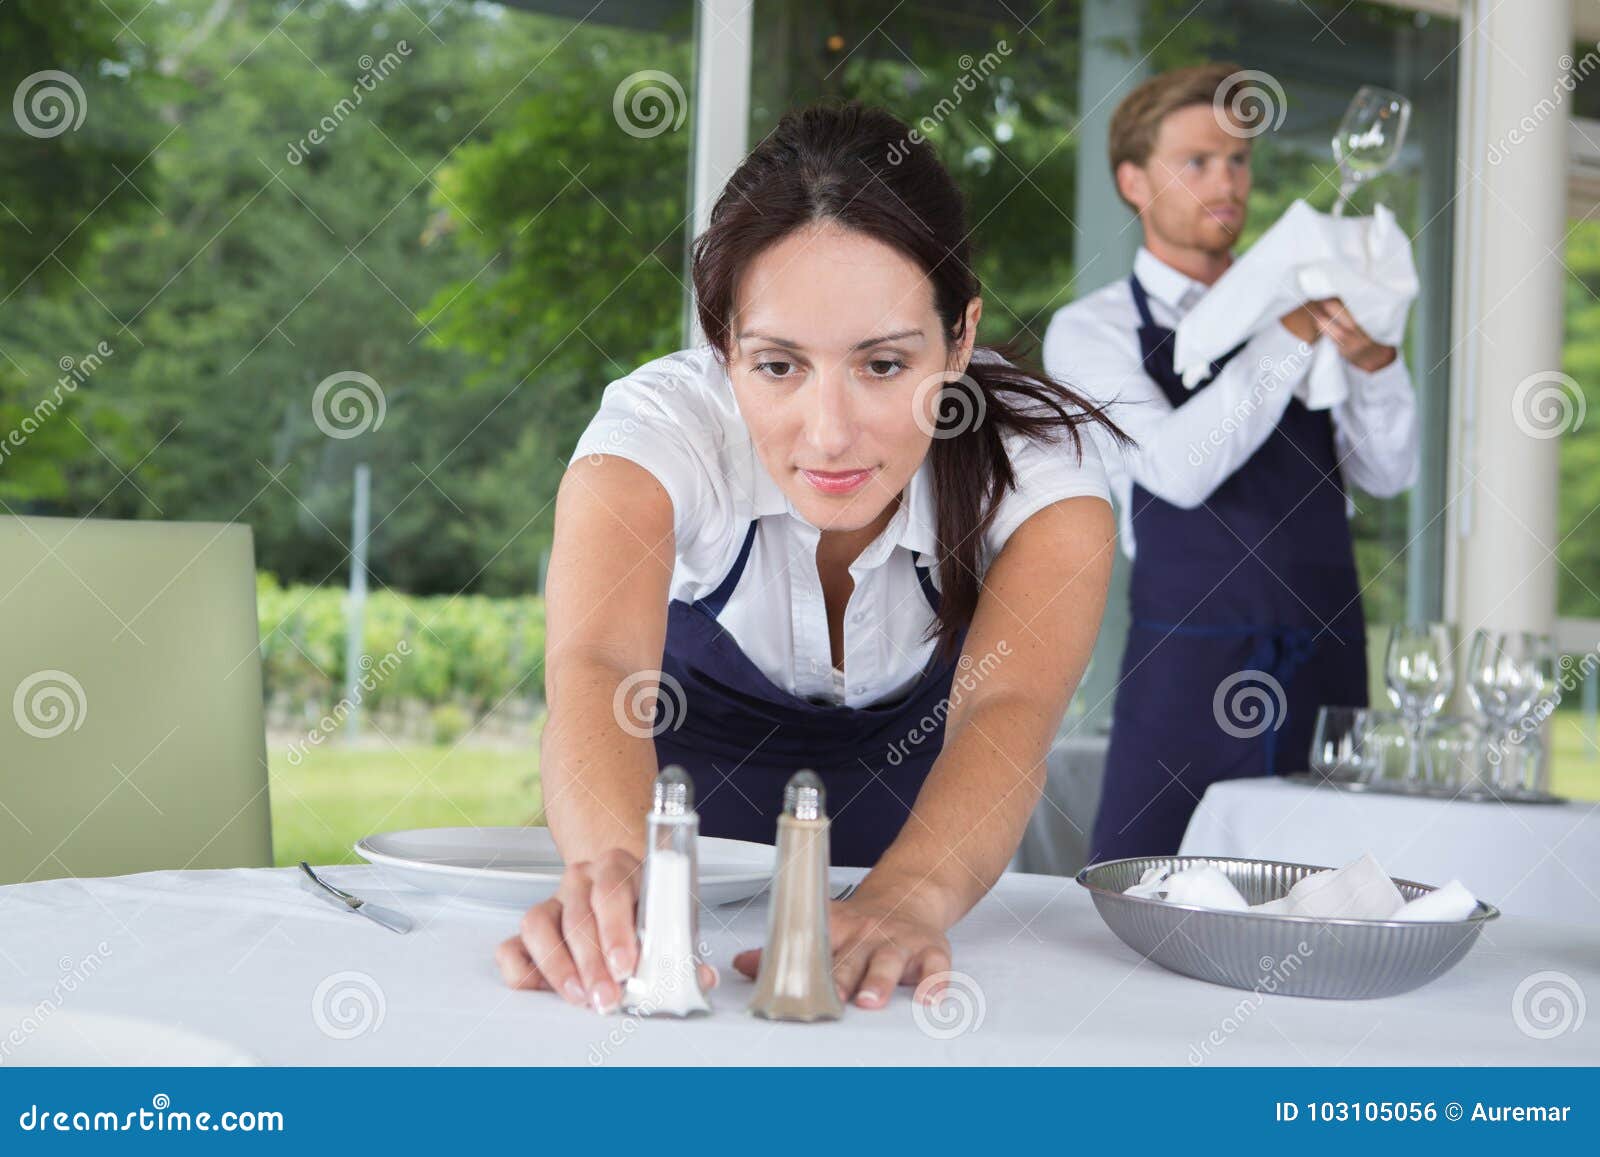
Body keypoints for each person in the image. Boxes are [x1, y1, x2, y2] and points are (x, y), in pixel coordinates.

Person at [495, 103, 1126, 1013]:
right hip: (672, 867)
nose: (830, 435)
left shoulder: (1042, 478)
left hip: (925, 874)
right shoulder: (655, 437)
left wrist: (909, 897)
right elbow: (599, 665)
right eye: (779, 365)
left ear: (959, 337)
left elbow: (1009, 707)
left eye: (882, 365)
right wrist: (612, 867)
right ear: (722, 346)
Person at [1042, 63, 1419, 862]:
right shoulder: (1091, 331)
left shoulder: (1309, 302)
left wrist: (1378, 362)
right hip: (1185, 676)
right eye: (1198, 161)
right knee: (1141, 902)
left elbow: (1387, 474)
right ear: (1134, 181)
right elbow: (1178, 468)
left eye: (1239, 161)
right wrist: (1288, 334)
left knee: (1327, 905)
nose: (1228, 181)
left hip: (1327, 667)